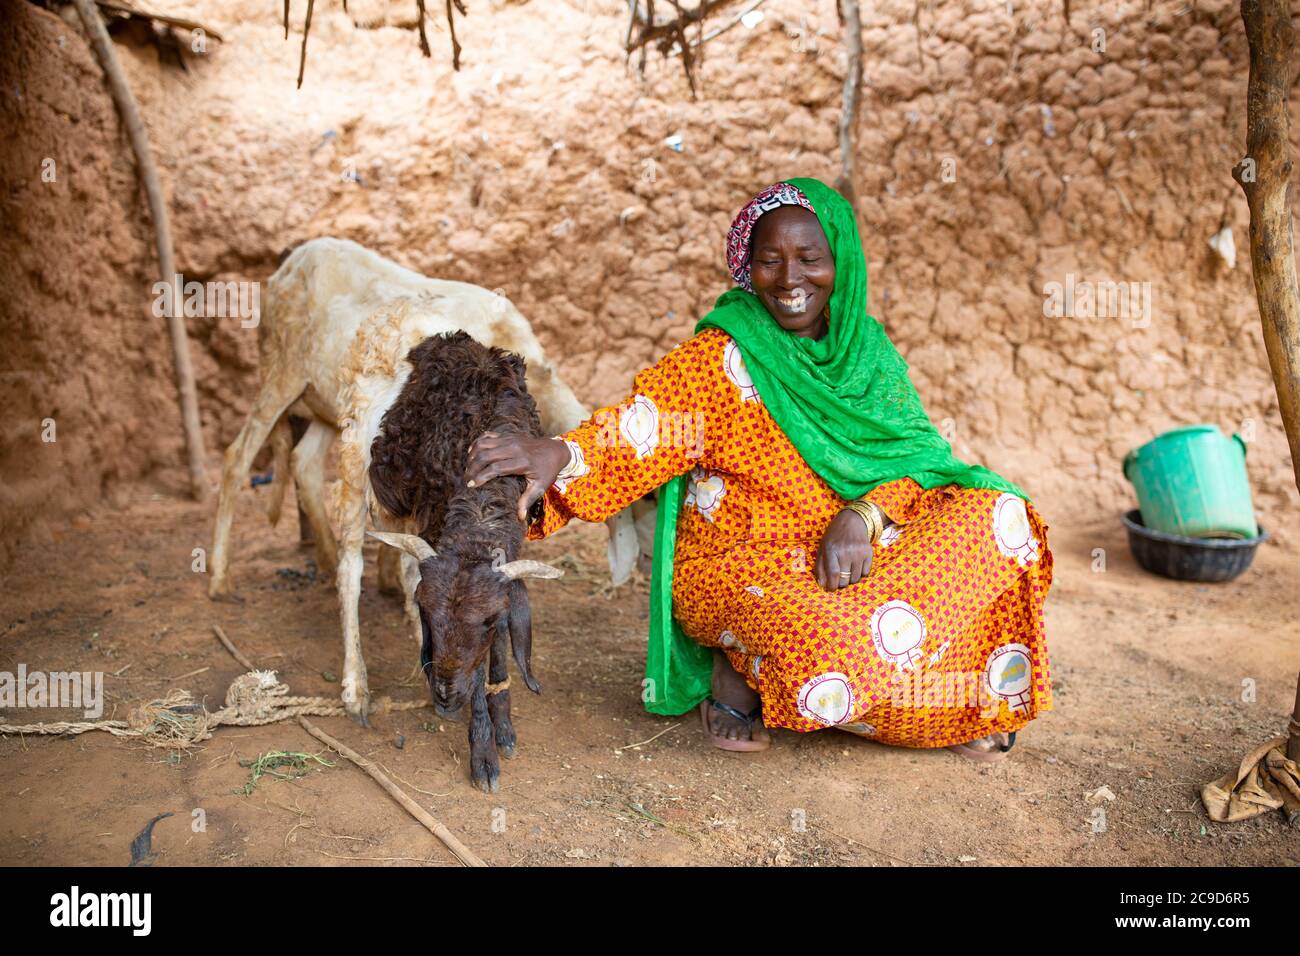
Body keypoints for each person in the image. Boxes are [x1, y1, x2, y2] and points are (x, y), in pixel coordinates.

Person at [465, 178, 1053, 761]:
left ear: (840, 262)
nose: (790, 280)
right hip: (743, 566)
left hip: (851, 553)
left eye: (809, 259)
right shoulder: (724, 355)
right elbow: (644, 426)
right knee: (827, 650)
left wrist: (862, 517)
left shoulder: (868, 353)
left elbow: (920, 463)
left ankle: (867, 682)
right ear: (749, 268)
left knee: (1002, 517)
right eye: (770, 261)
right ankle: (752, 667)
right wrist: (561, 453)